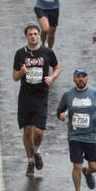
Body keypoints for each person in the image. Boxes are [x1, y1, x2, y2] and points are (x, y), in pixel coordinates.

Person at [13, 23, 59, 176]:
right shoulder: (20, 54)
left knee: (38, 132)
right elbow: (15, 77)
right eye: (30, 34)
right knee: (27, 131)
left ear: (39, 36)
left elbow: (57, 68)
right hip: (26, 96)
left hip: (41, 95)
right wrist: (21, 71)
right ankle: (30, 162)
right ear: (26, 37)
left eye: (35, 34)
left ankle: (36, 150)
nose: (33, 36)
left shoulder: (47, 52)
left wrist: (51, 77)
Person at [56, 66, 96, 191]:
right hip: (75, 136)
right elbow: (60, 110)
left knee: (94, 166)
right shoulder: (68, 95)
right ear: (74, 79)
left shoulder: (95, 93)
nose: (81, 79)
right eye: (78, 76)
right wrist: (61, 115)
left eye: (83, 76)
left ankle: (88, 172)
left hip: (91, 136)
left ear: (87, 78)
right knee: (76, 166)